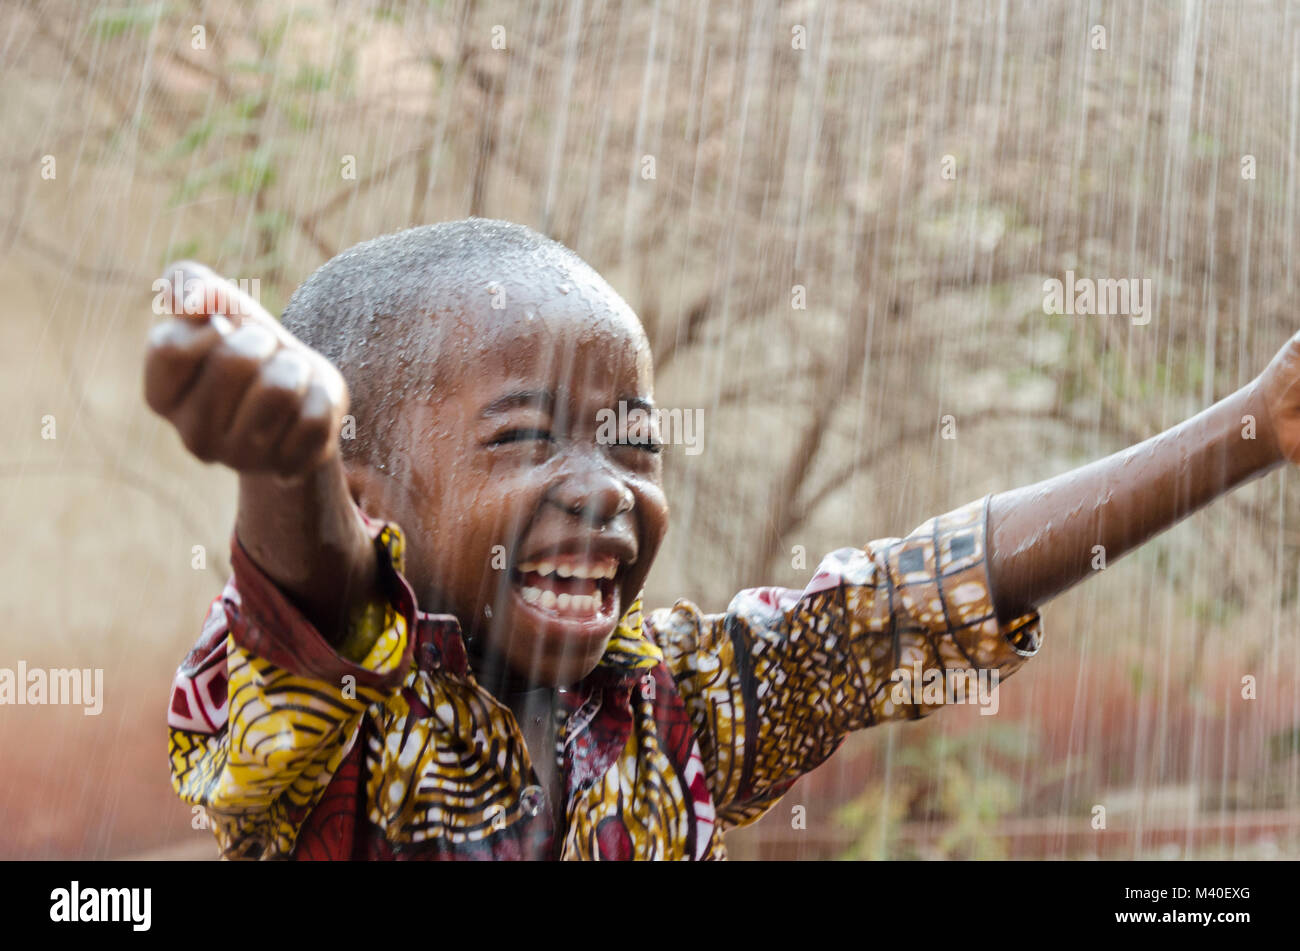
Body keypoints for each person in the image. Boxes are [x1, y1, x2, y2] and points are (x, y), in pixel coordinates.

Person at [147, 219, 1298, 860]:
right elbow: (321, 613)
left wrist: (1254, 423)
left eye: (631, 442)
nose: (603, 490)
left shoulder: (672, 715)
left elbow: (914, 602)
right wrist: (284, 464)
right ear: (369, 500)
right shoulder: (326, 726)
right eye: (525, 439)